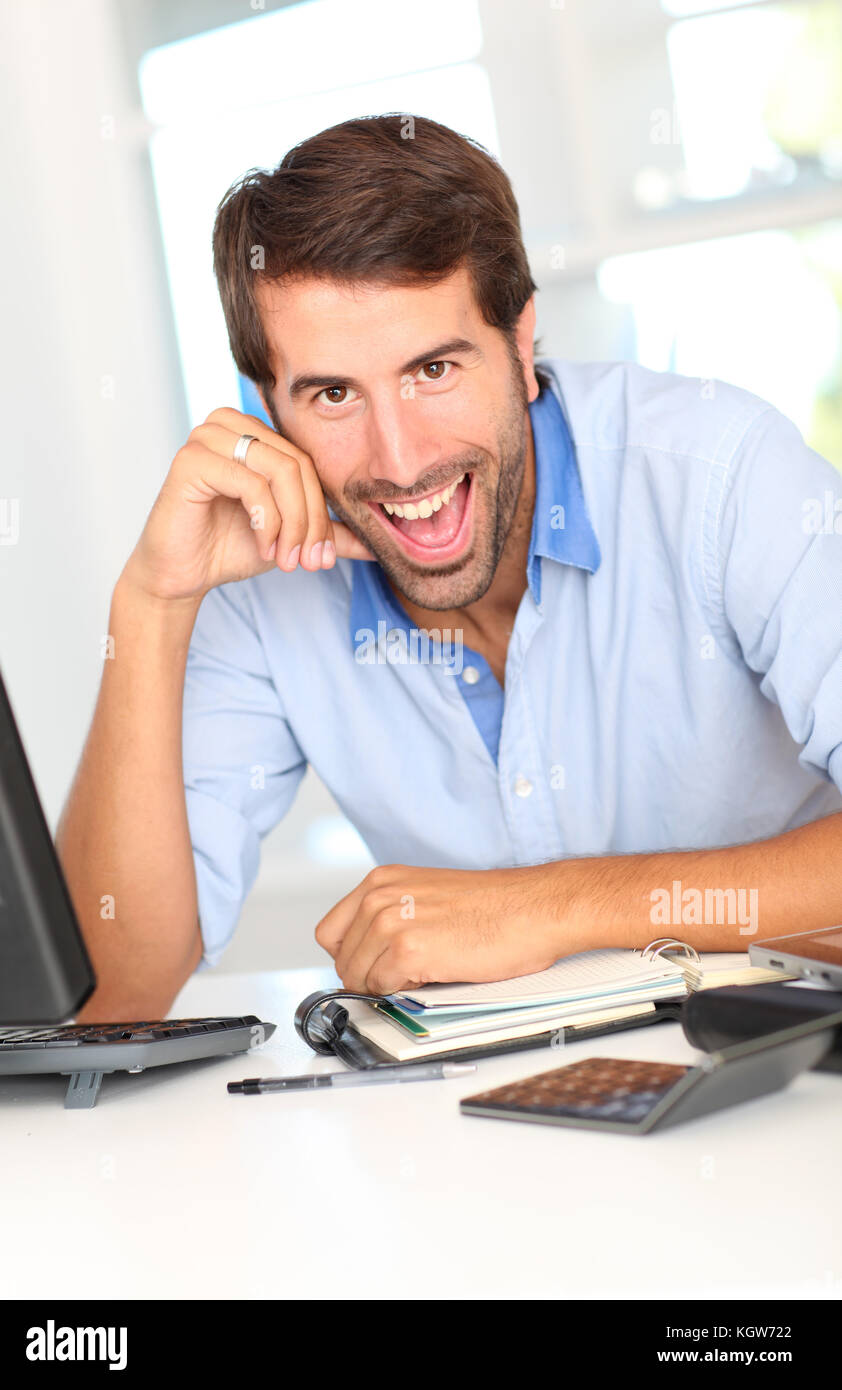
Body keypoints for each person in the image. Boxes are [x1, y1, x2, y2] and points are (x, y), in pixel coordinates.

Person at [57, 114, 842, 1021]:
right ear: (266, 407)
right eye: (334, 393)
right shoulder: (260, 584)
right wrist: (151, 603)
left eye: (432, 369)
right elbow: (105, 997)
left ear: (518, 342)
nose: (397, 459)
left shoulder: (720, 474)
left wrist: (555, 906)